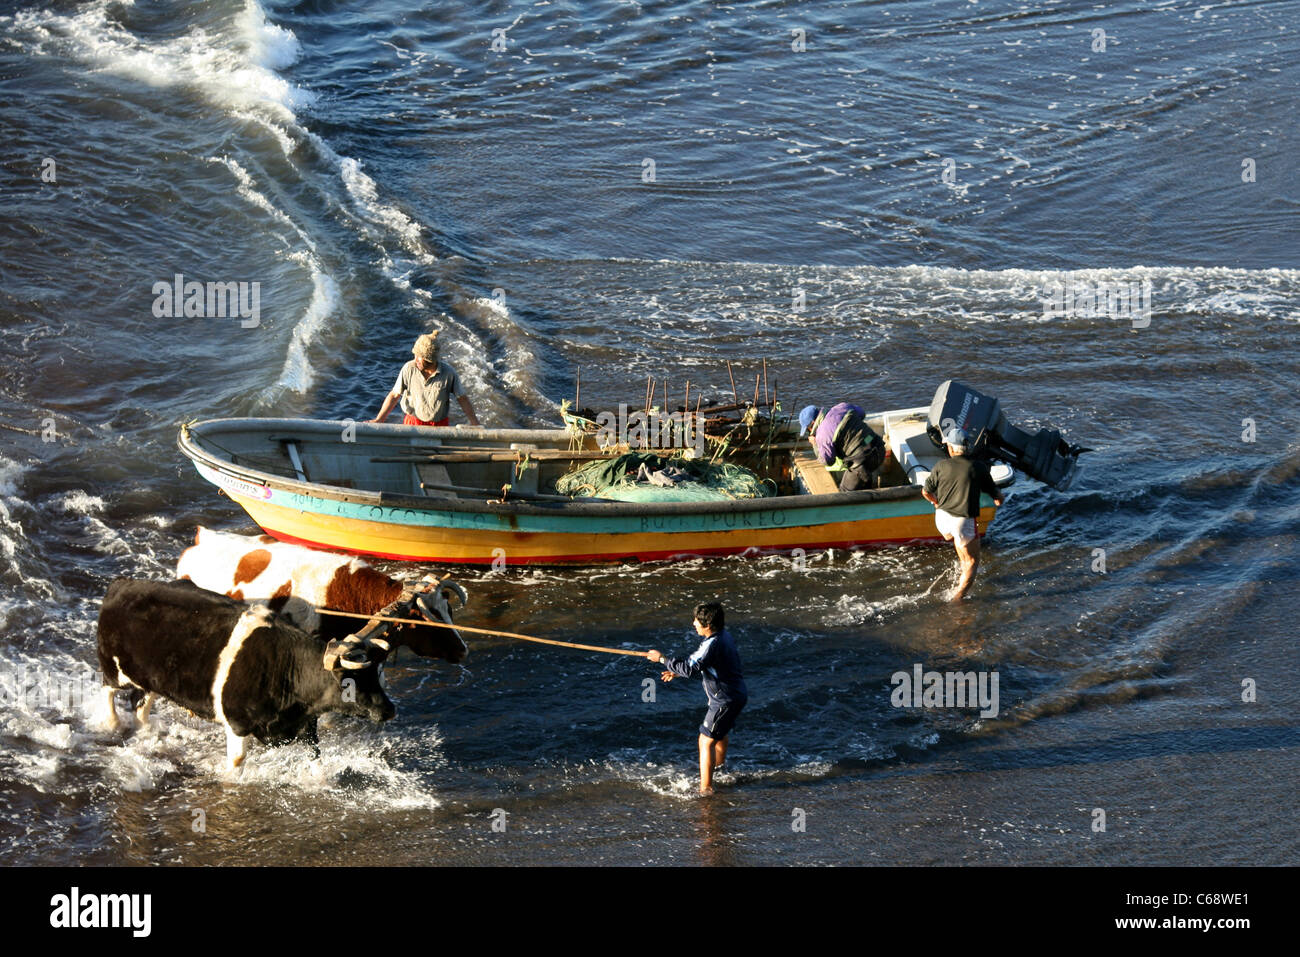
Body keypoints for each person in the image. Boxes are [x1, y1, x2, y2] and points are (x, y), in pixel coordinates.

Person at [647, 602, 748, 796]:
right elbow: (701, 665)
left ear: (708, 625)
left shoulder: (711, 644)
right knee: (719, 734)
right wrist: (676, 672)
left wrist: (661, 659)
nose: (694, 623)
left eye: (697, 621)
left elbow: (691, 666)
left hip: (724, 700)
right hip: (737, 694)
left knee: (705, 740)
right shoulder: (724, 636)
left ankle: (706, 789)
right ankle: (719, 768)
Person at [921, 428, 1004, 602]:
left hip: (941, 518)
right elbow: (995, 493)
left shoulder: (941, 466)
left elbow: (926, 492)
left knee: (963, 552)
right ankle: (958, 599)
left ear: (951, 448)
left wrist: (936, 503)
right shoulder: (977, 467)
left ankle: (960, 576)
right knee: (973, 562)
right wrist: (998, 499)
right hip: (961, 520)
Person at [372, 331, 480, 427]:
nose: (415, 360)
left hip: (439, 425)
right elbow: (394, 395)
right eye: (415, 355)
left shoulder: (448, 373)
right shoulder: (409, 369)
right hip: (413, 423)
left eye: (419, 357)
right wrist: (379, 419)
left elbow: (462, 399)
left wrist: (475, 424)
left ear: (430, 360)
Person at [798, 403, 888, 491]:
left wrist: (815, 444)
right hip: (879, 448)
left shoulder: (822, 435)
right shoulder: (842, 407)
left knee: (844, 492)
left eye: (807, 430)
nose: (809, 432)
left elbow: (828, 461)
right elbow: (862, 413)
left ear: (813, 424)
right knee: (863, 479)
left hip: (863, 462)